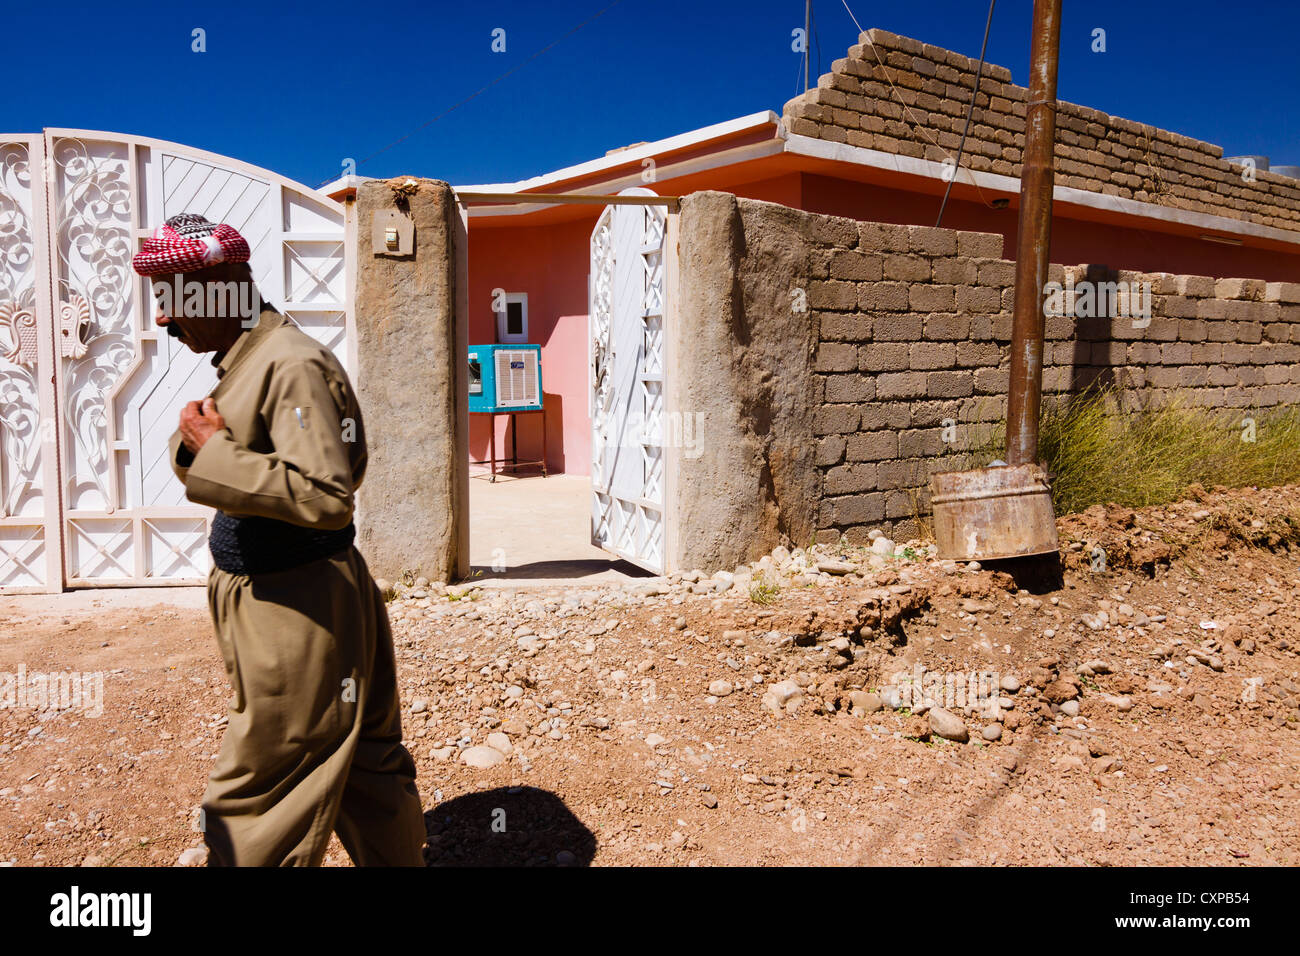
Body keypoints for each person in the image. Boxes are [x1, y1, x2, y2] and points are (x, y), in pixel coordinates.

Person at [133, 213, 426, 866]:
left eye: (170, 295)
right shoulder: (255, 360)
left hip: (299, 611)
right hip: (303, 599)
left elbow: (324, 495)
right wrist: (198, 442)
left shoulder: (287, 364)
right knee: (365, 771)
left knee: (260, 792)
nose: (162, 318)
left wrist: (209, 451)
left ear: (222, 285)